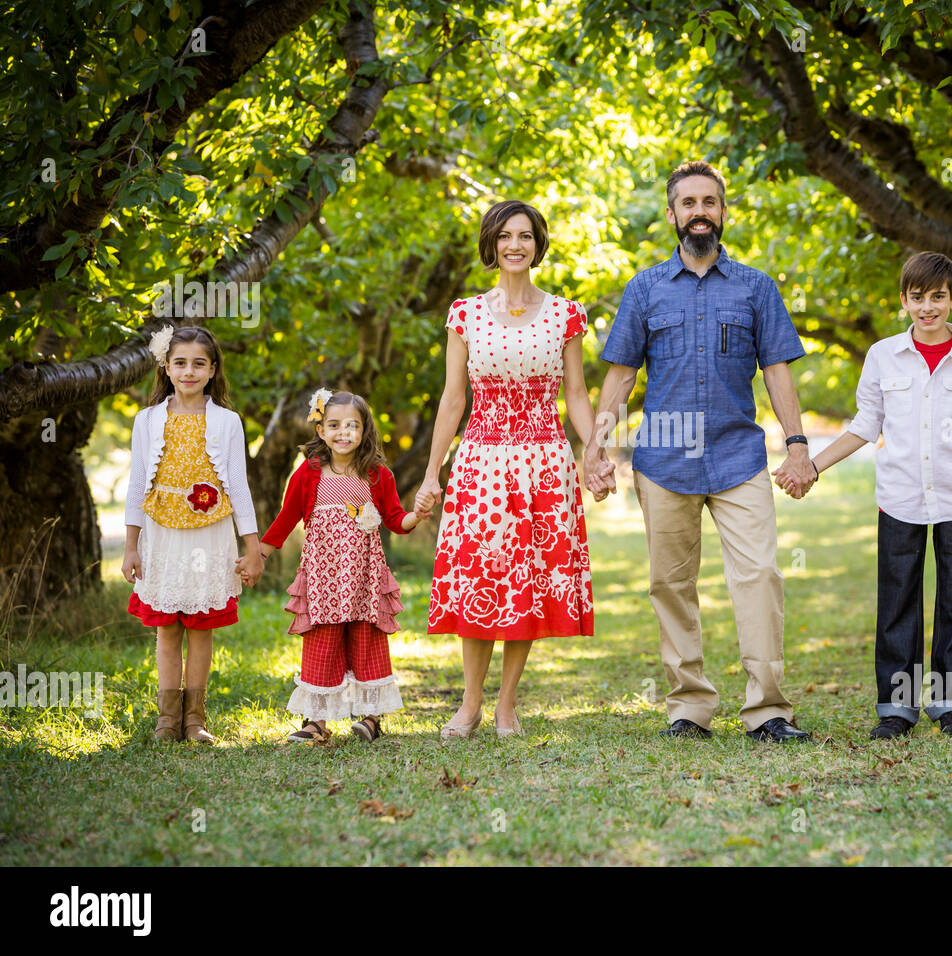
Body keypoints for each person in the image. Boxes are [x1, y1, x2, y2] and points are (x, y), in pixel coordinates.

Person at [585, 160, 814, 743]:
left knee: (760, 575)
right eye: (688, 203)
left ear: (723, 211)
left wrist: (796, 445)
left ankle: (768, 712)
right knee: (670, 584)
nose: (699, 212)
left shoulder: (756, 287)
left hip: (739, 457)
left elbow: (778, 369)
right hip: (663, 461)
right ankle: (688, 707)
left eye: (709, 202)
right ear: (672, 215)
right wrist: (598, 447)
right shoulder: (643, 289)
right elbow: (620, 375)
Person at [803, 252, 952, 739]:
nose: (928, 307)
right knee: (898, 601)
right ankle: (897, 711)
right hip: (900, 497)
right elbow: (864, 425)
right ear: (904, 300)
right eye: (918, 297)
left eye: (938, 297)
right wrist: (812, 465)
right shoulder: (882, 356)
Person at [418, 200, 596, 740]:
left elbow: (577, 393)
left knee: (529, 581)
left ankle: (507, 705)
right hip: (481, 463)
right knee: (478, 576)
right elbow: (452, 400)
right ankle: (469, 704)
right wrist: (432, 472)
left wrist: (596, 449)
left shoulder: (565, 314)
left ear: (538, 245)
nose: (515, 245)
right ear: (491, 244)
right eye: (504, 236)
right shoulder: (465, 314)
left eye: (525, 235)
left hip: (544, 461)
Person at [122, 325, 264, 744]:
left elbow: (237, 485)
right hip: (161, 534)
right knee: (167, 628)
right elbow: (135, 486)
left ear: (212, 369)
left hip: (210, 533)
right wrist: (131, 546)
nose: (188, 371)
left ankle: (194, 719)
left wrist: (252, 547)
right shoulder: (147, 420)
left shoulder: (227, 421)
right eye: (180, 363)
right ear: (166, 368)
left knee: (201, 627)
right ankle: (167, 720)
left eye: (198, 363)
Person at [259, 390, 427, 743]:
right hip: (324, 576)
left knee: (367, 639)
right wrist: (260, 554)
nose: (343, 433)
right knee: (323, 641)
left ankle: (370, 717)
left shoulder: (378, 475)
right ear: (321, 431)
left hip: (365, 576)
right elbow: (286, 518)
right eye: (334, 425)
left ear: (365, 430)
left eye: (352, 425)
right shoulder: (308, 473)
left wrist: (415, 517)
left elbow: (395, 518)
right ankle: (316, 722)